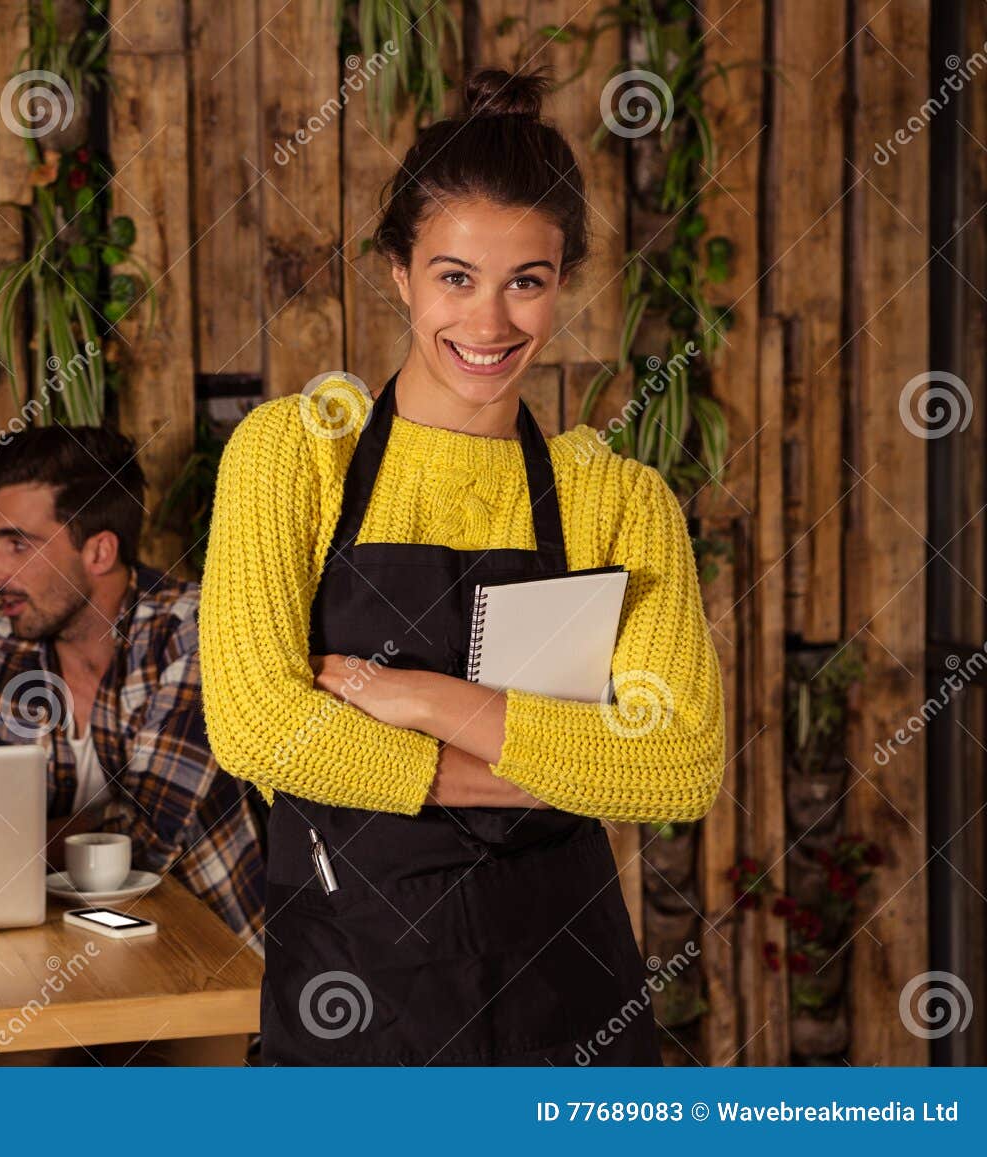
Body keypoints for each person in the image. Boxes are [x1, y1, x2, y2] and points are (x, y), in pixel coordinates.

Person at [199, 67, 726, 1066]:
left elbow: (677, 763)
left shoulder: (617, 500)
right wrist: (553, 770)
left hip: (571, 1010)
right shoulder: (295, 456)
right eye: (455, 277)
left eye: (524, 281)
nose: (489, 326)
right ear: (398, 272)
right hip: (357, 1015)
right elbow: (259, 726)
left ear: (561, 282)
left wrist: (424, 697)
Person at [0, 424, 264, 1066]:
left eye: (18, 544)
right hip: (31, 964)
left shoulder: (194, 631)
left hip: (201, 965)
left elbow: (141, 839)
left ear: (99, 552)